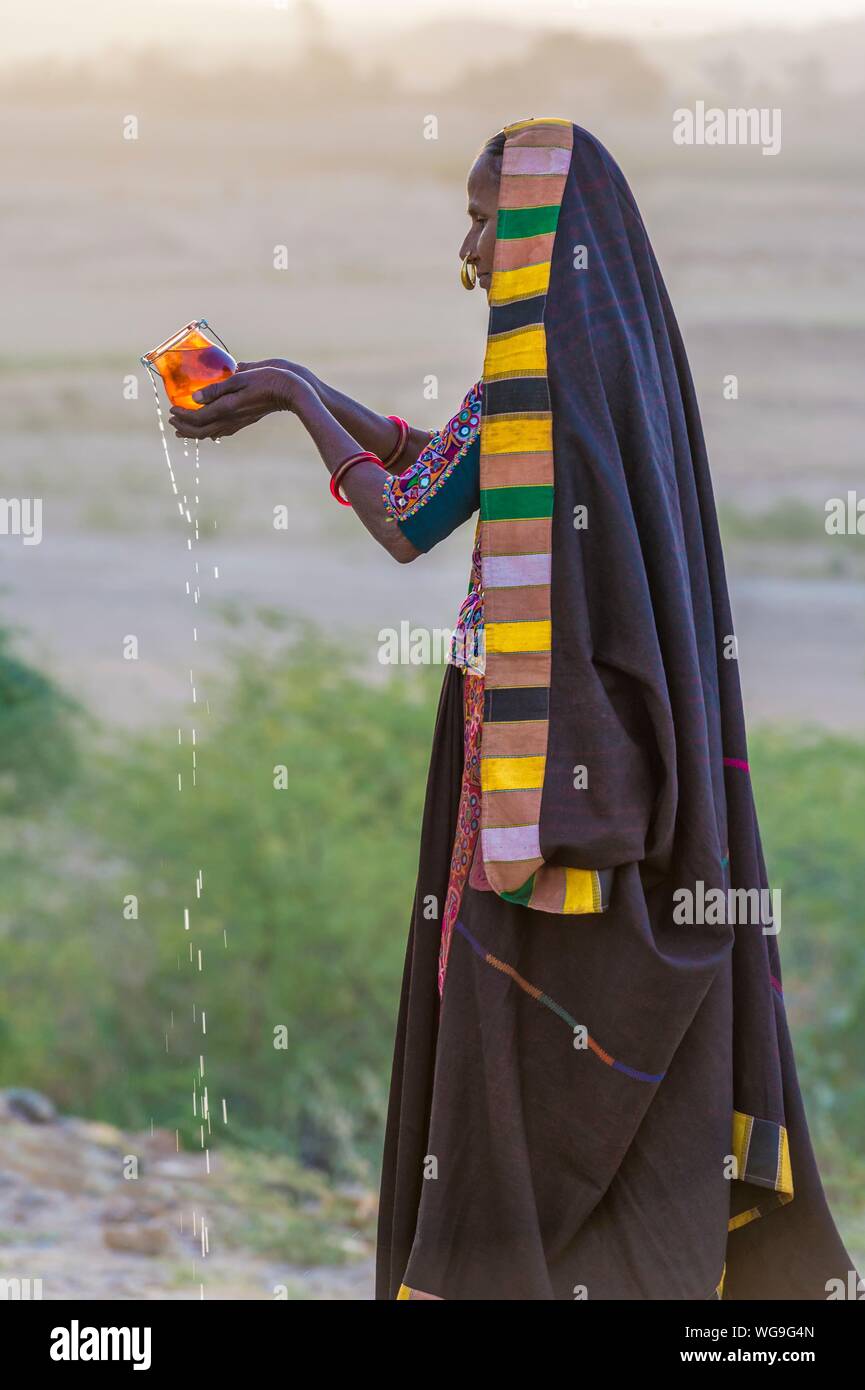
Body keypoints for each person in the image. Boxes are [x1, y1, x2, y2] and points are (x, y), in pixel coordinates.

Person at [171, 116, 858, 1301]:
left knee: (523, 1052)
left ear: (543, 234)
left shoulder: (539, 388)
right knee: (589, 1059)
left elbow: (407, 519)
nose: (471, 247)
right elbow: (441, 467)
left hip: (542, 801)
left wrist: (285, 391)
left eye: (489, 218)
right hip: (602, 785)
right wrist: (308, 392)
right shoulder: (597, 381)